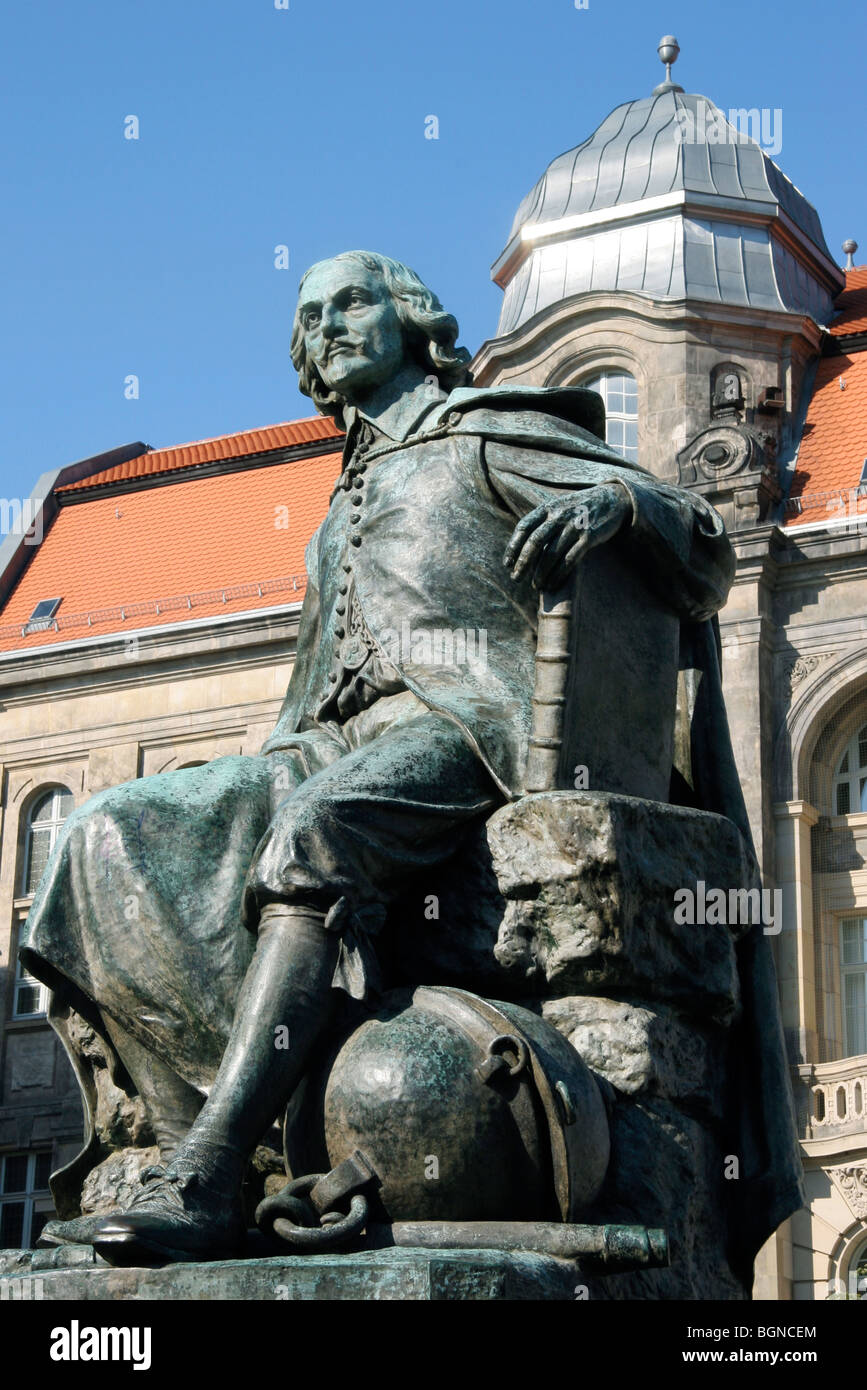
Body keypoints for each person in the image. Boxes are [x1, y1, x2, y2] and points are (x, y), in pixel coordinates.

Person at [21, 251, 797, 1270]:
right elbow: (309, 687)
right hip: (331, 740)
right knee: (99, 835)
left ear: (410, 321)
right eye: (313, 316)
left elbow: (703, 540)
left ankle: (211, 1174)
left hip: (470, 719)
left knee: (316, 828)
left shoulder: (484, 434)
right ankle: (214, 1142)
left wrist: (622, 509)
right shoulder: (337, 506)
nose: (330, 327)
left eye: (352, 304)